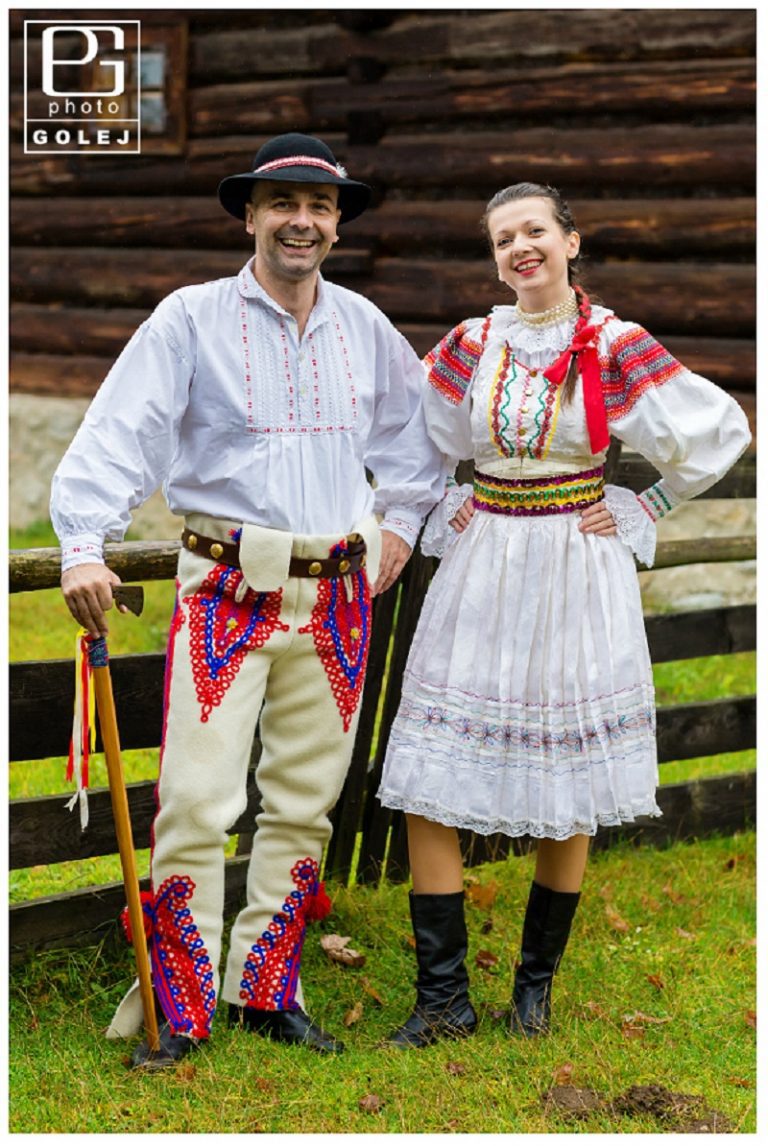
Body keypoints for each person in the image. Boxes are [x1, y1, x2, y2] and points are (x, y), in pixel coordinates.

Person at [50, 133, 445, 1068]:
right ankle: (179, 1005)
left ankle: (266, 989)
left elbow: (416, 438)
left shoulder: (364, 327)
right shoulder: (188, 320)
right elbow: (120, 432)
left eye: (319, 206)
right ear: (251, 215)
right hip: (227, 582)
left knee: (307, 801)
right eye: (282, 204)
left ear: (337, 223)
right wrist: (80, 544)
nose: (301, 221)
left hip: (339, 588)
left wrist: (399, 528)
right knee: (196, 798)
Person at [376, 182, 751, 1048]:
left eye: (535, 231)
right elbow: (413, 436)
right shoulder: (474, 341)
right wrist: (440, 503)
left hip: (575, 564)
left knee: (569, 774)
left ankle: (531, 991)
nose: (520, 249)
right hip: (482, 557)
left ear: (571, 241)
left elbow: (722, 429)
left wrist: (645, 499)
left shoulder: (614, 345)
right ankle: (443, 1000)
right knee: (431, 773)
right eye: (503, 238)